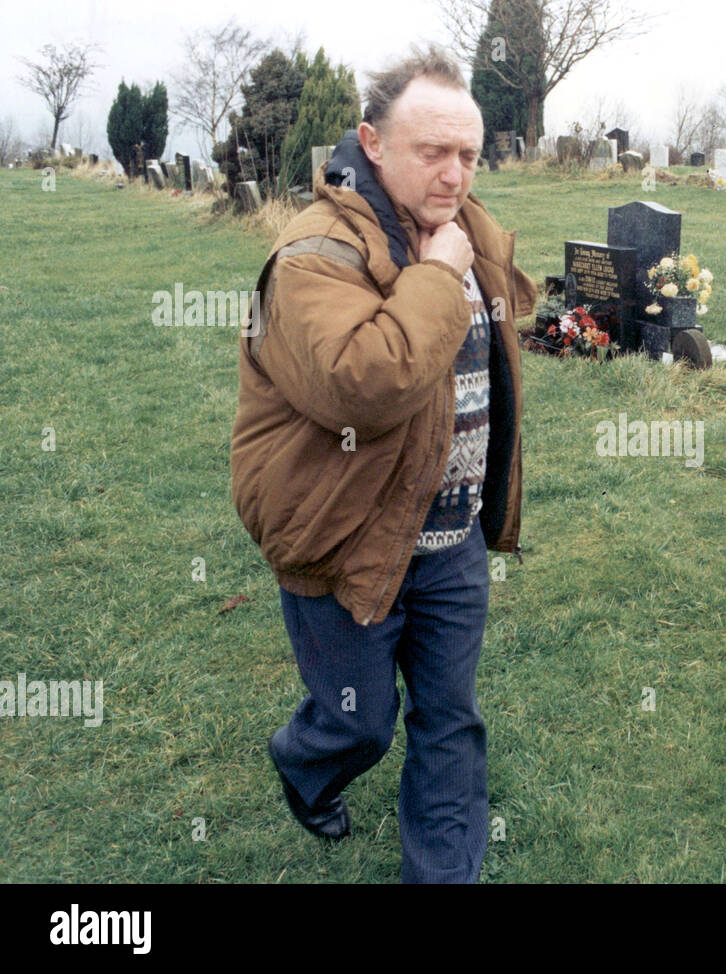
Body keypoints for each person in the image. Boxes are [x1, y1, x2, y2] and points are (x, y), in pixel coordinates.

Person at [228, 44, 535, 883]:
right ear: (371, 143)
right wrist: (438, 277)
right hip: (345, 536)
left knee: (449, 721)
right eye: (432, 151)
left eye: (468, 154)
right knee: (357, 724)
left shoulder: (459, 229)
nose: (455, 174)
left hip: (450, 542)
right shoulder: (314, 255)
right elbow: (363, 383)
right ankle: (307, 766)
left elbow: (499, 318)